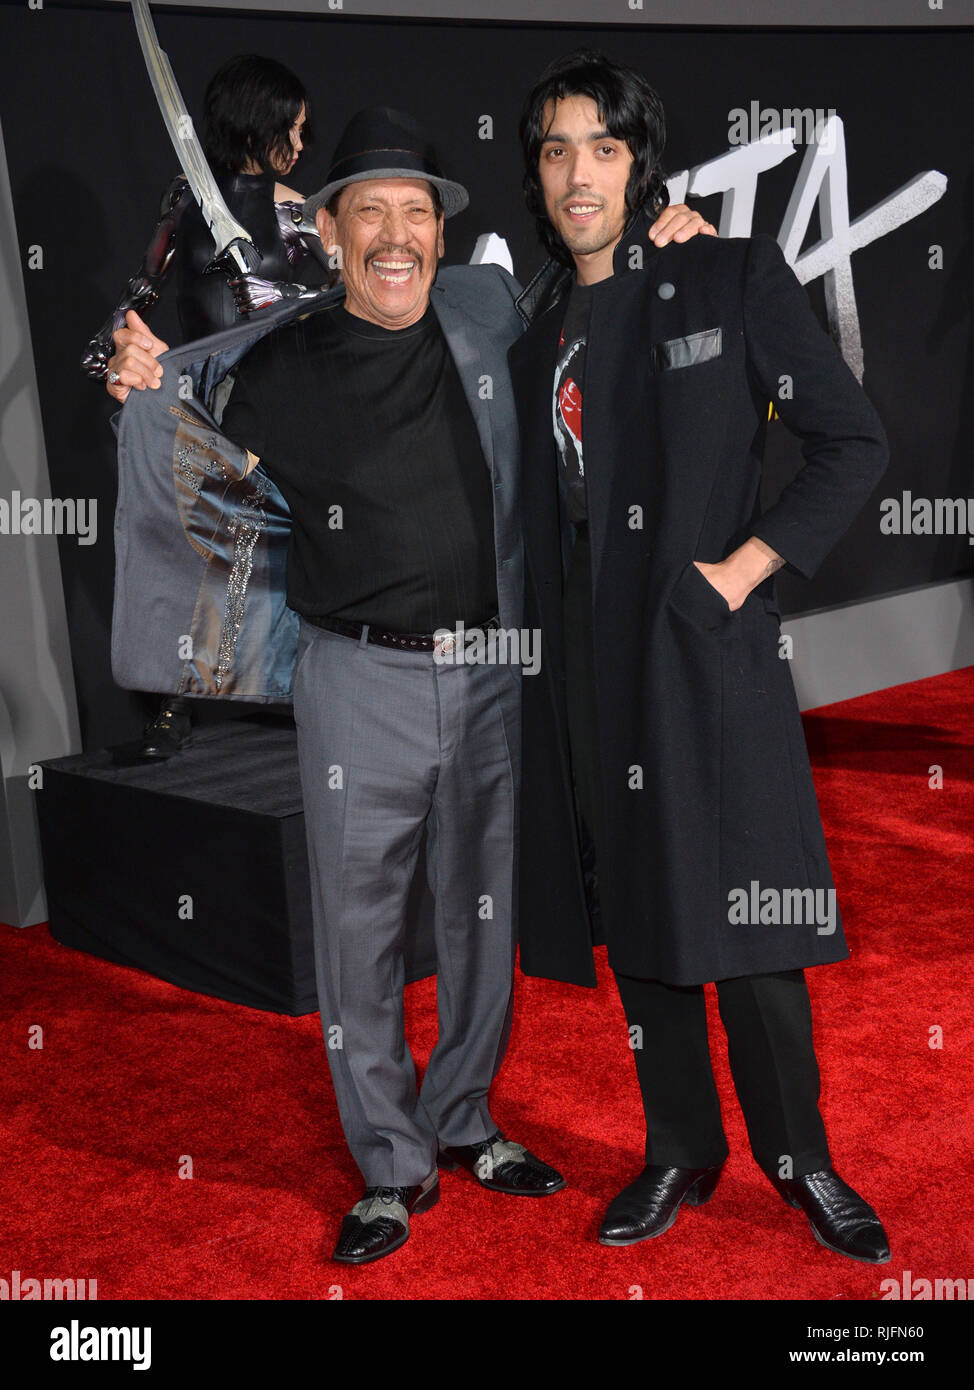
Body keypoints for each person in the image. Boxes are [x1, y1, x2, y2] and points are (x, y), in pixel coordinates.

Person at [104, 103, 713, 1266]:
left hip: (490, 675)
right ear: (328, 233)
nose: (394, 234)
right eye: (368, 211)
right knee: (359, 931)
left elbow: (597, 315)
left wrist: (662, 243)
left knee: (485, 911)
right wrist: (127, 374)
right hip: (354, 679)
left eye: (415, 212)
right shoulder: (274, 361)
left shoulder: (487, 312)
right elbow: (172, 411)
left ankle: (466, 1117)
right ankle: (388, 1160)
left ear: (442, 232)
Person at [509, 50, 891, 1264]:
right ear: (535, 172)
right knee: (639, 918)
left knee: (752, 920)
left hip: (700, 651)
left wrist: (736, 572)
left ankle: (802, 1161)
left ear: (639, 163)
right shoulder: (533, 326)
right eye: (555, 148)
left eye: (602, 147)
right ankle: (678, 1146)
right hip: (581, 664)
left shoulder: (722, 273)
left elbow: (848, 440)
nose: (578, 172)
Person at [83, 53, 329, 758]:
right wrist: (116, 350)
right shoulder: (183, 205)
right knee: (175, 542)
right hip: (203, 398)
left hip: (281, 400)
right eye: (296, 129)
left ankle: (301, 690)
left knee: (293, 540)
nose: (304, 144)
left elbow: (347, 296)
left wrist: (295, 305)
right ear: (262, 123)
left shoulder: (298, 212)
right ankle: (168, 706)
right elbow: (140, 290)